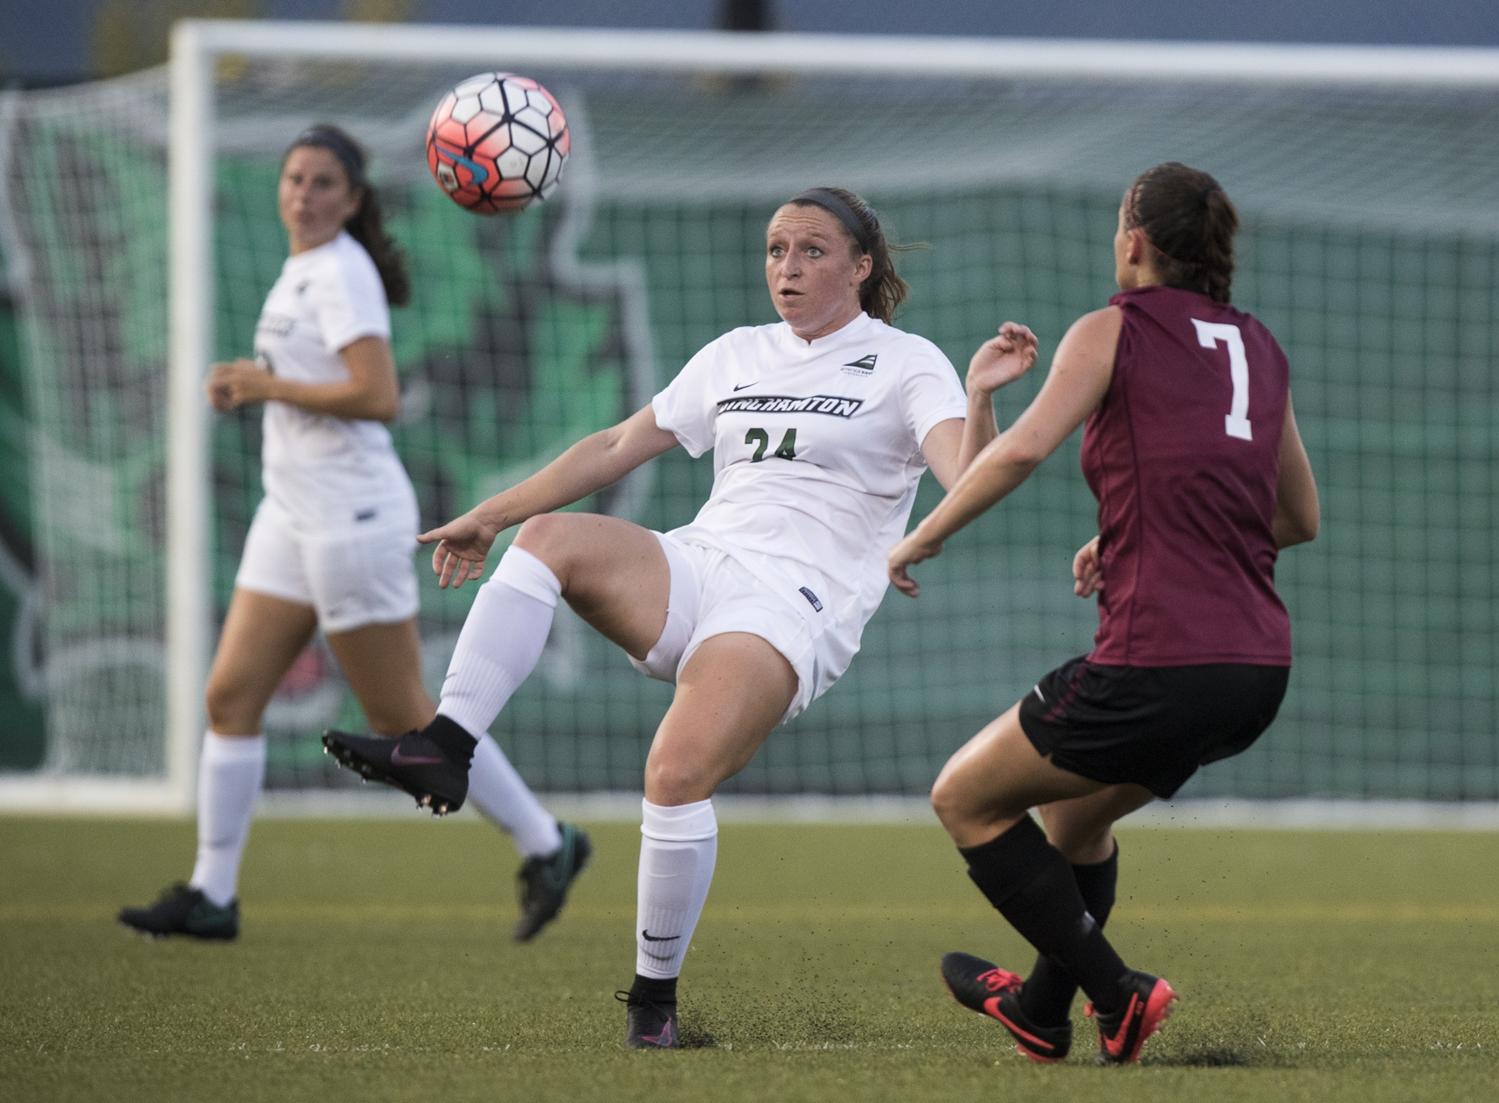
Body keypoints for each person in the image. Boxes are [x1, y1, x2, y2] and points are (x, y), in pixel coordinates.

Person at [323, 186, 1038, 1048]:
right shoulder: (737, 352)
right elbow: (619, 445)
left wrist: (982, 392)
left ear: (861, 266)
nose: (789, 267)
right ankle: (445, 746)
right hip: (699, 561)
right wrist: (493, 513)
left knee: (672, 772)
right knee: (548, 537)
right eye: (777, 249)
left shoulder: (904, 361)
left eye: (813, 250)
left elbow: (967, 476)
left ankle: (652, 1007)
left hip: (792, 602)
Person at [888, 162, 1320, 1066]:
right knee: (1076, 824)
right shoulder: (1258, 346)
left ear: (1133, 240)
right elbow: (1296, 518)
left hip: (1157, 661)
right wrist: (1133, 533)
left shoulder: (1112, 329)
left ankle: (1116, 991)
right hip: (1256, 673)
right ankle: (1045, 1012)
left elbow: (1019, 455)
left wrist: (922, 534)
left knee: (963, 797)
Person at [118, 125, 589, 945]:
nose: (303, 192)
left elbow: (376, 395)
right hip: (290, 511)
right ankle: (212, 892)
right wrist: (262, 385)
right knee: (230, 697)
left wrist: (264, 383)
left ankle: (548, 842)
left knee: (407, 720)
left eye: (323, 182)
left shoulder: (343, 272)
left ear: (354, 198)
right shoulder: (305, 266)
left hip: (351, 517)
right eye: (294, 177)